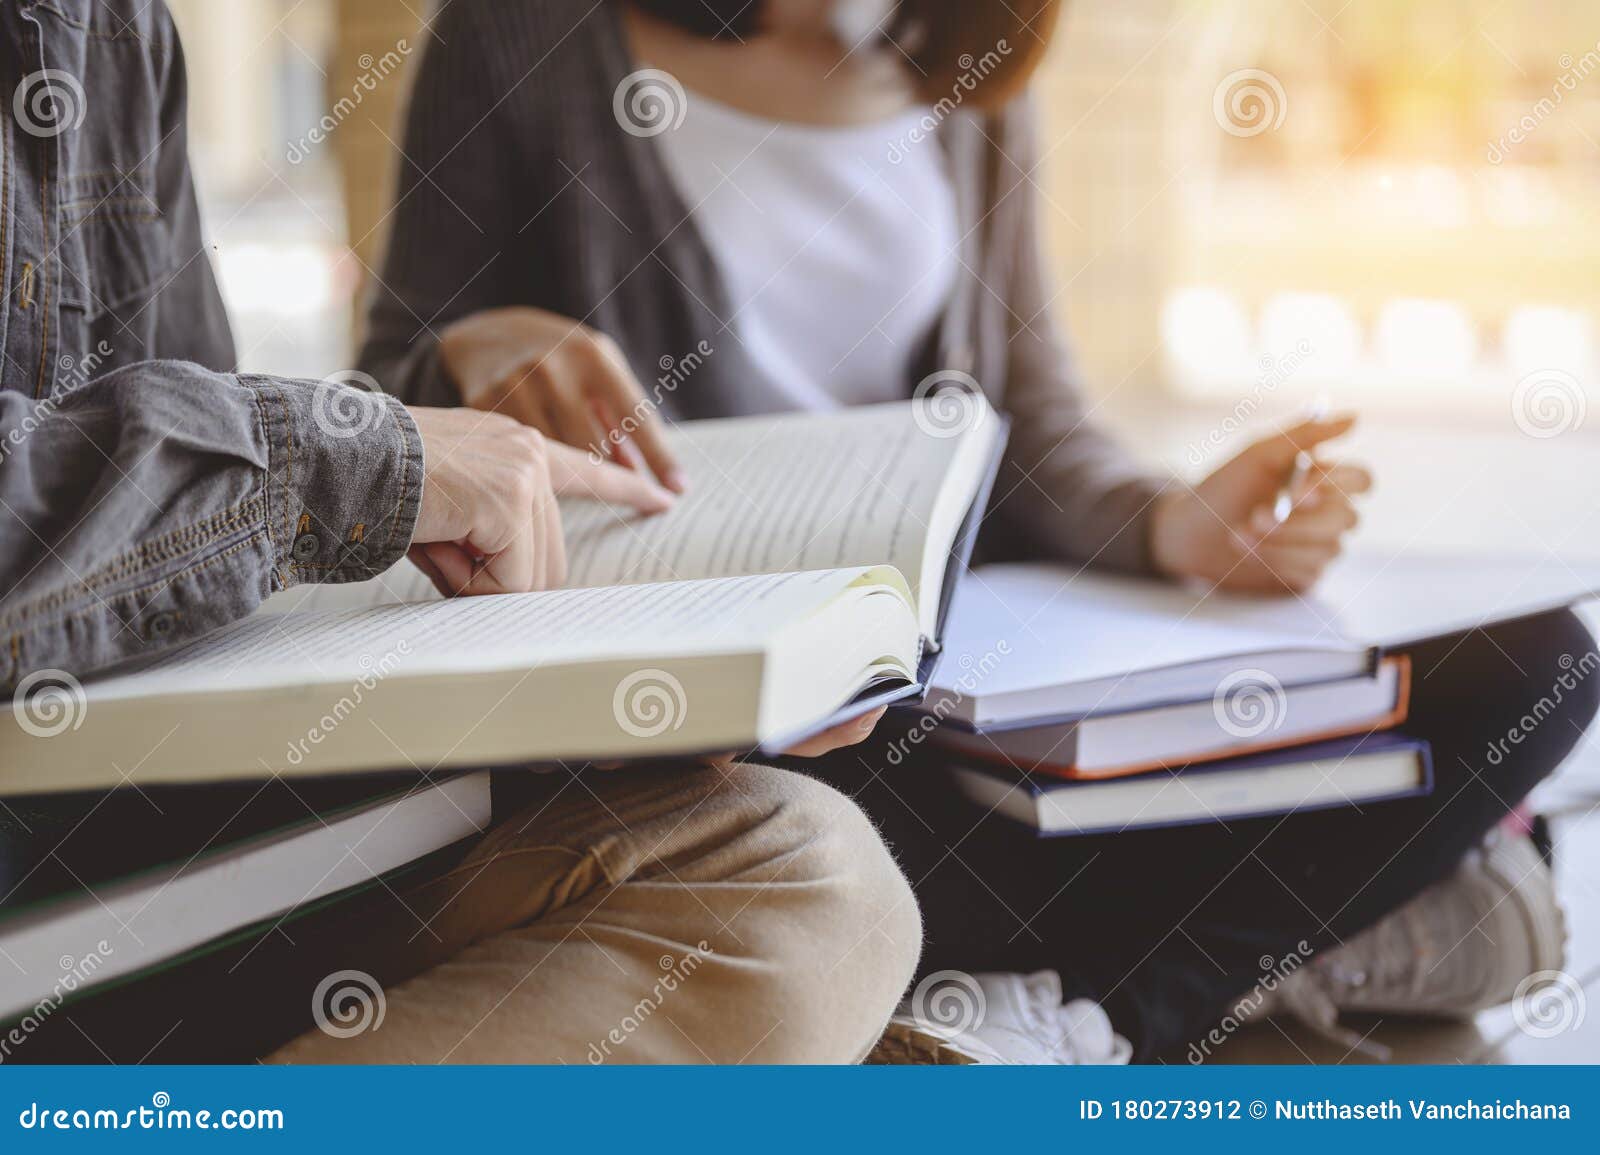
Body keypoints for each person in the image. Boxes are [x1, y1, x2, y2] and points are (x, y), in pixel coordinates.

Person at [360, 0, 1598, 1062]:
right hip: (733, 740)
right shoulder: (525, 31)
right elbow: (375, 402)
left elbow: (1035, 419)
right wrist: (470, 353)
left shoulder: (966, 56)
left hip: (966, 693)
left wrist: (1175, 525)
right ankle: (1317, 930)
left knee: (1539, 659)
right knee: (813, 863)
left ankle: (1069, 1014)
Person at [0, 0, 923, 1064]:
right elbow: (282, 439)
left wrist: (430, 442)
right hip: (60, 878)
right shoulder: (514, 32)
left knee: (807, 875)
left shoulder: (114, 27)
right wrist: (355, 454)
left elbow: (203, 453)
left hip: (155, 830)